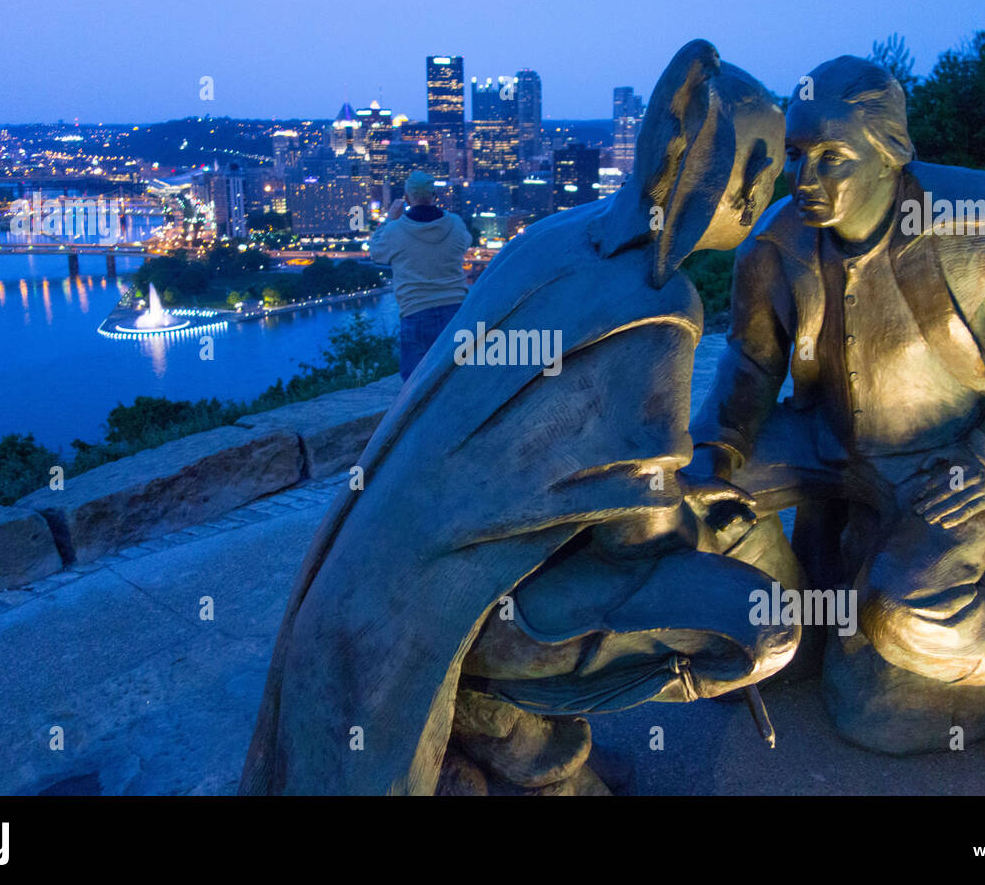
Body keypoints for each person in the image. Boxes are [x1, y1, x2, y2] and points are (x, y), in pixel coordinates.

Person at [239, 40, 792, 796]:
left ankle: (524, 750)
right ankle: (510, 714)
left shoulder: (558, 237)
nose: (770, 182)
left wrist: (678, 495)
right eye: (757, 162)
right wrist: (701, 520)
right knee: (765, 622)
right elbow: (639, 547)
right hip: (457, 609)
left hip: (367, 589)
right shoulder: (661, 309)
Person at [690, 55, 985, 795]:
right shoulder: (777, 245)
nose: (804, 180)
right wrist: (715, 450)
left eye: (832, 159)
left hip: (951, 455)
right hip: (826, 440)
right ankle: (791, 634)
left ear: (891, 153)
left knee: (907, 610)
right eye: (797, 156)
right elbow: (749, 364)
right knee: (692, 496)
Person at [369, 171, 472, 380]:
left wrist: (389, 219)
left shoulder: (394, 231)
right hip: (457, 311)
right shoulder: (455, 223)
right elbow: (465, 243)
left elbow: (376, 253)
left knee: (415, 386)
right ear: (434, 195)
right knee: (458, 380)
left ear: (406, 199)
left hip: (416, 312)